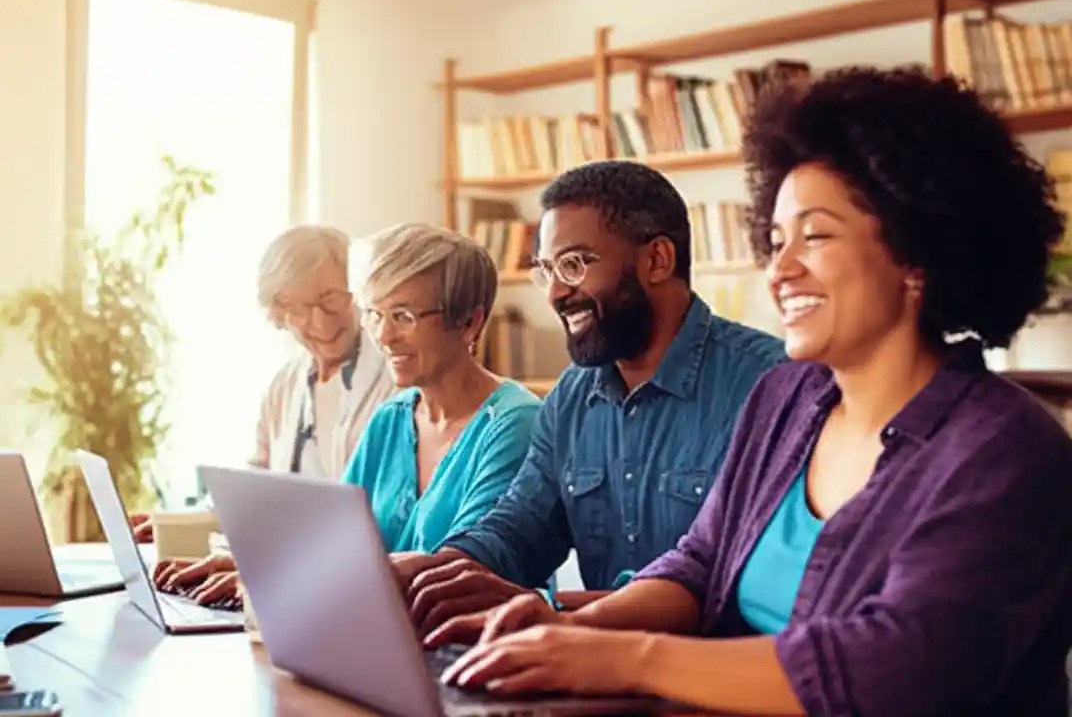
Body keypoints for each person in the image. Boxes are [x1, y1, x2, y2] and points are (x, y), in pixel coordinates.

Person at [432, 67, 1072, 717]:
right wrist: (572, 629)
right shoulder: (786, 398)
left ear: (918, 252)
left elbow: (898, 668)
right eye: (775, 241)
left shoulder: (1006, 453)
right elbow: (701, 561)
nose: (781, 270)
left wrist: (629, 657)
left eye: (815, 236)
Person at [394, 160, 786, 635]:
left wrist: (549, 608)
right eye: (547, 270)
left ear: (657, 261)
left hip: (713, 684)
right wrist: (440, 572)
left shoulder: (769, 386)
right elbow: (519, 529)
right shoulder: (573, 397)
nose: (557, 292)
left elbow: (729, 587)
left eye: (575, 264)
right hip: (590, 668)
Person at [156, 223, 542, 604]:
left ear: (470, 322)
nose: (385, 336)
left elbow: (462, 574)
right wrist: (254, 563)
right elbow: (337, 543)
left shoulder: (514, 423)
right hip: (382, 635)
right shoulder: (391, 419)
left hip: (478, 647)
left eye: (404, 316)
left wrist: (287, 576)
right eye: (376, 315)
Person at [135, 224, 396, 543]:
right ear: (279, 313)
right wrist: (185, 523)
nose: (320, 322)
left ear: (357, 291)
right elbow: (256, 488)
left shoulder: (394, 378)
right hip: (289, 559)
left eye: (331, 298)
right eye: (299, 309)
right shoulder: (283, 386)